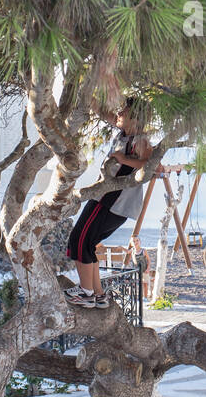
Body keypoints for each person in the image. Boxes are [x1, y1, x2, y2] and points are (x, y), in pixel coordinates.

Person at [65, 99, 152, 309]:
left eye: (124, 111)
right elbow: (106, 114)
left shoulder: (140, 140)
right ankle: (98, 295)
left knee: (79, 240)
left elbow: (148, 163)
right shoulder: (124, 133)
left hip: (111, 201)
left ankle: (86, 293)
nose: (119, 113)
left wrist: (123, 159)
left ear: (136, 118)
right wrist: (90, 96)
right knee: (87, 243)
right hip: (106, 198)